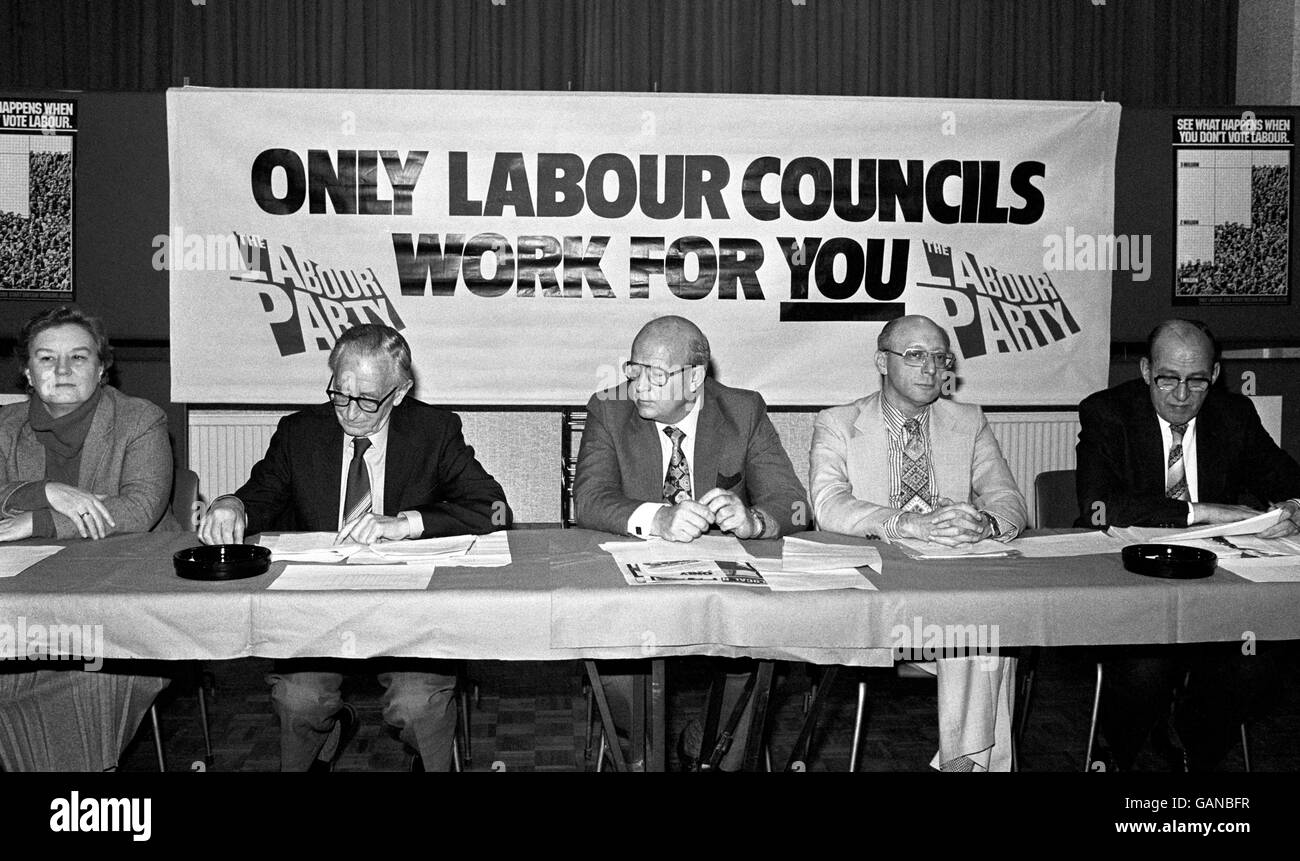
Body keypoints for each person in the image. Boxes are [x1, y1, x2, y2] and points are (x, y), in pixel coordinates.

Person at [199, 323, 509, 771]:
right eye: (339, 394)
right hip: (316, 609)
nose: (350, 411)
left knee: (417, 704)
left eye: (368, 399)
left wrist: (407, 524)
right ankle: (319, 744)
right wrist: (231, 504)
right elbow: (258, 496)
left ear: (399, 393)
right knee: (299, 698)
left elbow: (496, 509)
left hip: (408, 612)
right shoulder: (299, 432)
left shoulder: (434, 431)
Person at [574, 315, 808, 770]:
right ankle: (644, 756)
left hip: (722, 594)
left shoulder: (744, 410)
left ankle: (712, 751)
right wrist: (658, 518)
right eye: (633, 370)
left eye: (655, 375)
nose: (638, 385)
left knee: (757, 659)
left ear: (696, 378)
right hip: (631, 594)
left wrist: (754, 520)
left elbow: (793, 503)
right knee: (621, 674)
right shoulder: (609, 407)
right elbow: (589, 499)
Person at [1075, 318, 1297, 770]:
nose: (1181, 395)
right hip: (1130, 579)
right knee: (1148, 665)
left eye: (1196, 381)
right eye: (1167, 379)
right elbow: (1101, 506)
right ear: (1144, 370)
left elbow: (1287, 479)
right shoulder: (1106, 412)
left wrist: (1292, 505)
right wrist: (1203, 511)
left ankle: (1196, 735)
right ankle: (1116, 747)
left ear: (1214, 375)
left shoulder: (1233, 415)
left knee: (1260, 661)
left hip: (1212, 581)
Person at [809, 314, 1027, 771]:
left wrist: (982, 525)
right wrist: (911, 525)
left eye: (940, 357)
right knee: (984, 634)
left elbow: (1008, 500)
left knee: (987, 627)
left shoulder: (968, 421)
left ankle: (961, 767)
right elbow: (829, 505)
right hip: (875, 590)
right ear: (881, 362)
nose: (931, 369)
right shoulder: (839, 423)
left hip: (948, 586)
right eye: (914, 356)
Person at [0, 306, 174, 771]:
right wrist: (46, 492)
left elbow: (138, 508)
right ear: (27, 372)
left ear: (101, 369)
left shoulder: (140, 420)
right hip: (27, 609)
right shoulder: (5, 428)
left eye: (77, 357)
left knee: (95, 681)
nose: (61, 370)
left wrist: (37, 522)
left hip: (123, 612)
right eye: (45, 358)